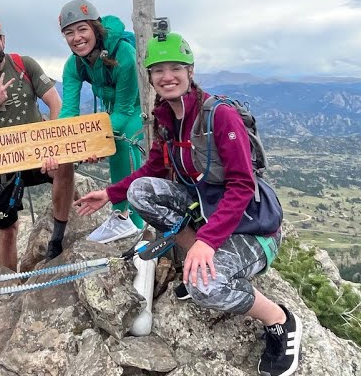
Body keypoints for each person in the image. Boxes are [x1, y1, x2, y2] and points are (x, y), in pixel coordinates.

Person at [73, 29, 303, 376]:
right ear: (149, 77)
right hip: (210, 216)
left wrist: (207, 243)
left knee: (205, 288)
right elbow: (152, 170)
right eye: (158, 70)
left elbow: (241, 185)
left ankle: (280, 320)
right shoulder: (166, 119)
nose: (167, 77)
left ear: (190, 71)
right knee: (142, 193)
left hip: (254, 229)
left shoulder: (219, 117)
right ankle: (199, 261)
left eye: (175, 68)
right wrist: (110, 193)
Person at [0, 10, 74, 270]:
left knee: (65, 168)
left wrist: (52, 144)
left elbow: (55, 102)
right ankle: (8, 281)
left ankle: (59, 237)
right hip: (2, 162)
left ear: (3, 40)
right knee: (7, 229)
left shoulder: (25, 65)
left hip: (37, 152)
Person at [57, 0, 145, 244]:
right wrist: (60, 145)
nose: (76, 38)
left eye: (82, 29)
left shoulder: (124, 54)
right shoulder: (74, 64)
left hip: (141, 109)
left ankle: (134, 224)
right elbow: (69, 112)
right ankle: (121, 216)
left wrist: (94, 143)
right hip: (116, 110)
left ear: (95, 29)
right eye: (69, 33)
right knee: (112, 138)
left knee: (121, 141)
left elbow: (126, 109)